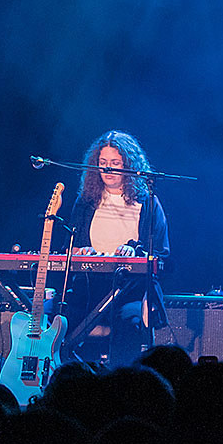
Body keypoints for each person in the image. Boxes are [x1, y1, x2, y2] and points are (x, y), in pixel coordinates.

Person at [65, 130, 169, 366]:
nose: (108, 169)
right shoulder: (85, 202)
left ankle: (120, 377)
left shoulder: (147, 202)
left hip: (130, 289)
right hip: (90, 287)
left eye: (115, 163)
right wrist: (82, 252)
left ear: (129, 165)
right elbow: (70, 247)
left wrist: (135, 253)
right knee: (63, 317)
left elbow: (161, 254)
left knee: (131, 320)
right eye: (102, 162)